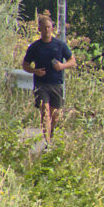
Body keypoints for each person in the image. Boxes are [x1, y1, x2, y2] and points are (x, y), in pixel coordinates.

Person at [21, 13, 76, 143]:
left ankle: (51, 134)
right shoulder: (35, 47)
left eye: (49, 27)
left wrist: (62, 66)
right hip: (41, 84)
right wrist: (35, 71)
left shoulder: (60, 45)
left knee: (55, 115)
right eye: (44, 27)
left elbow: (72, 61)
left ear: (52, 28)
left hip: (56, 84)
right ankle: (47, 142)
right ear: (39, 29)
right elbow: (25, 65)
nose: (46, 30)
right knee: (45, 111)